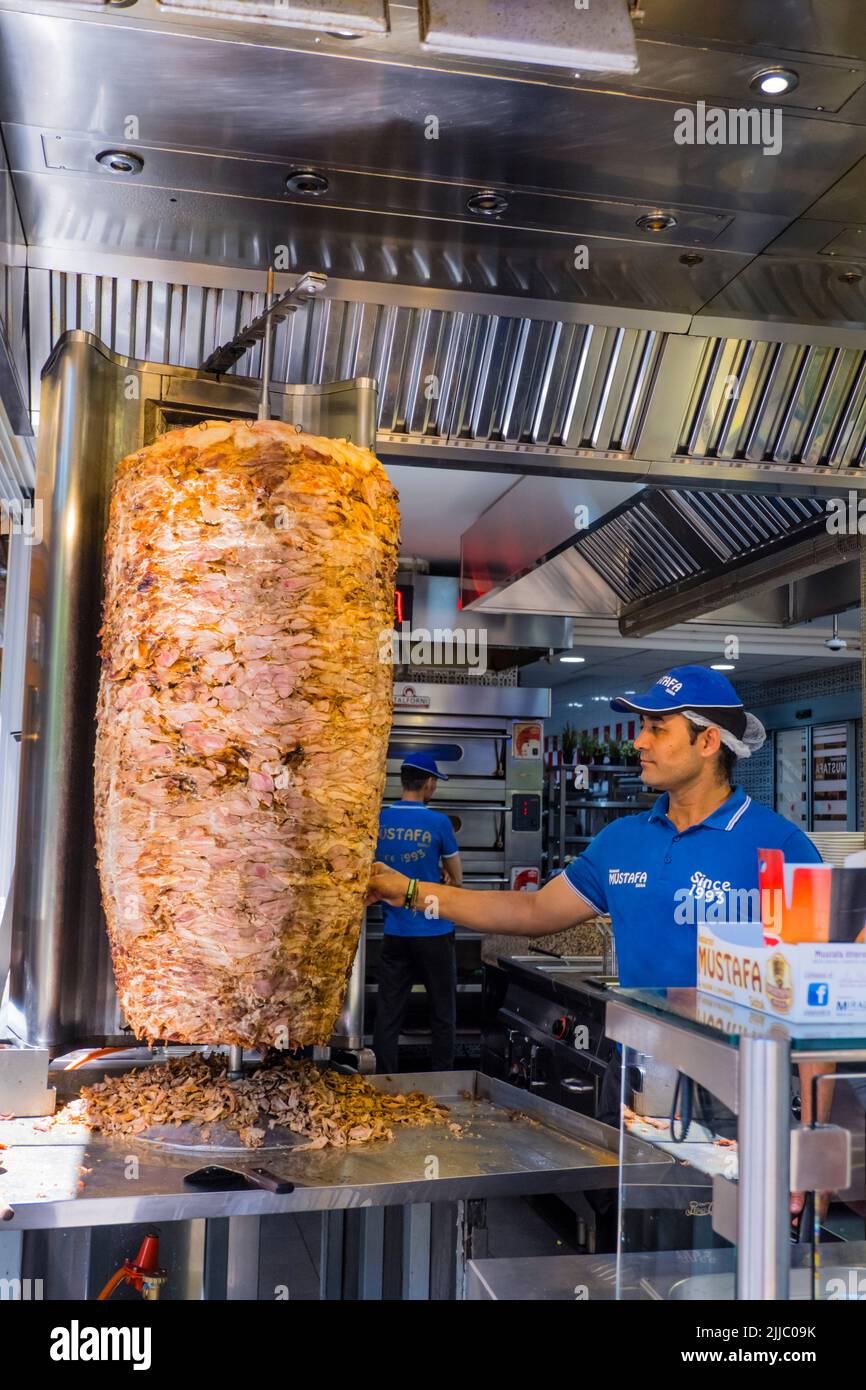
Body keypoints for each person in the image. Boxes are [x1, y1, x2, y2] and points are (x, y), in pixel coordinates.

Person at [368, 667, 825, 1213]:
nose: (639, 741)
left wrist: (815, 1140)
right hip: (633, 1073)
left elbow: (813, 1002)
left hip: (737, 1088)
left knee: (731, 1243)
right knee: (631, 1232)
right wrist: (414, 891)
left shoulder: (781, 846)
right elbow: (532, 909)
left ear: (708, 742)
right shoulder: (622, 841)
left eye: (657, 727)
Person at [372, 753, 463, 1074]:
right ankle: (441, 1079)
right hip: (435, 932)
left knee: (388, 1013)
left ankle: (385, 1079)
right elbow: (458, 877)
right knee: (442, 1012)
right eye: (434, 782)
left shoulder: (379, 819)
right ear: (428, 783)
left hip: (395, 933)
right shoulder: (437, 823)